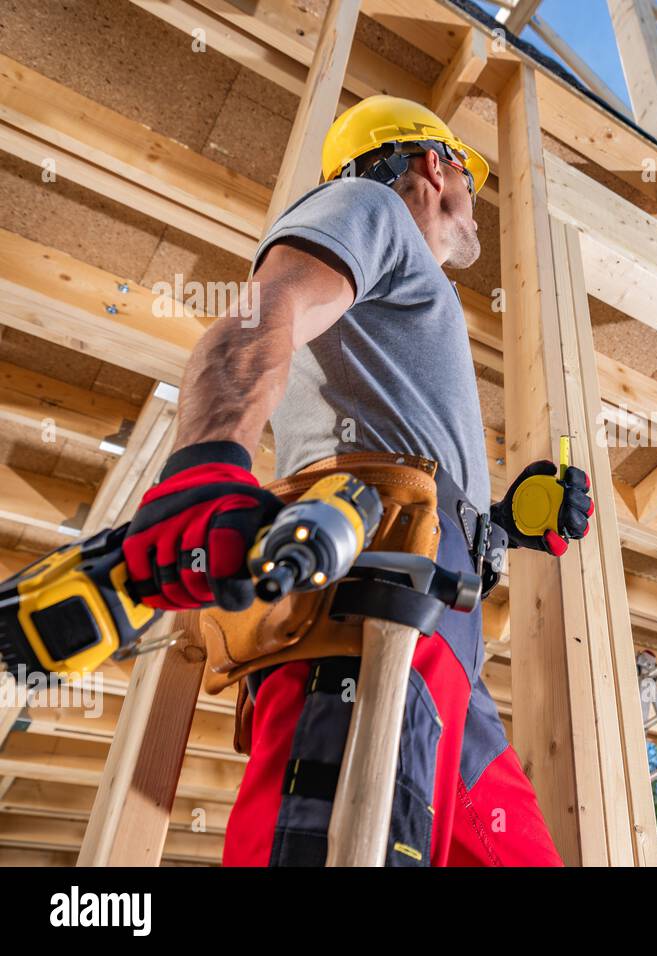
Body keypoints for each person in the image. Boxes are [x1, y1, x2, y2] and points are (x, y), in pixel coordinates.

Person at [121, 96, 591, 866]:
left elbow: (400, 439)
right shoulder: (369, 205)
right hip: (363, 602)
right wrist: (203, 466)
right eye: (466, 174)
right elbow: (257, 316)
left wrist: (500, 525)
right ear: (433, 164)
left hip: (446, 642)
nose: (471, 198)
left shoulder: (408, 288)